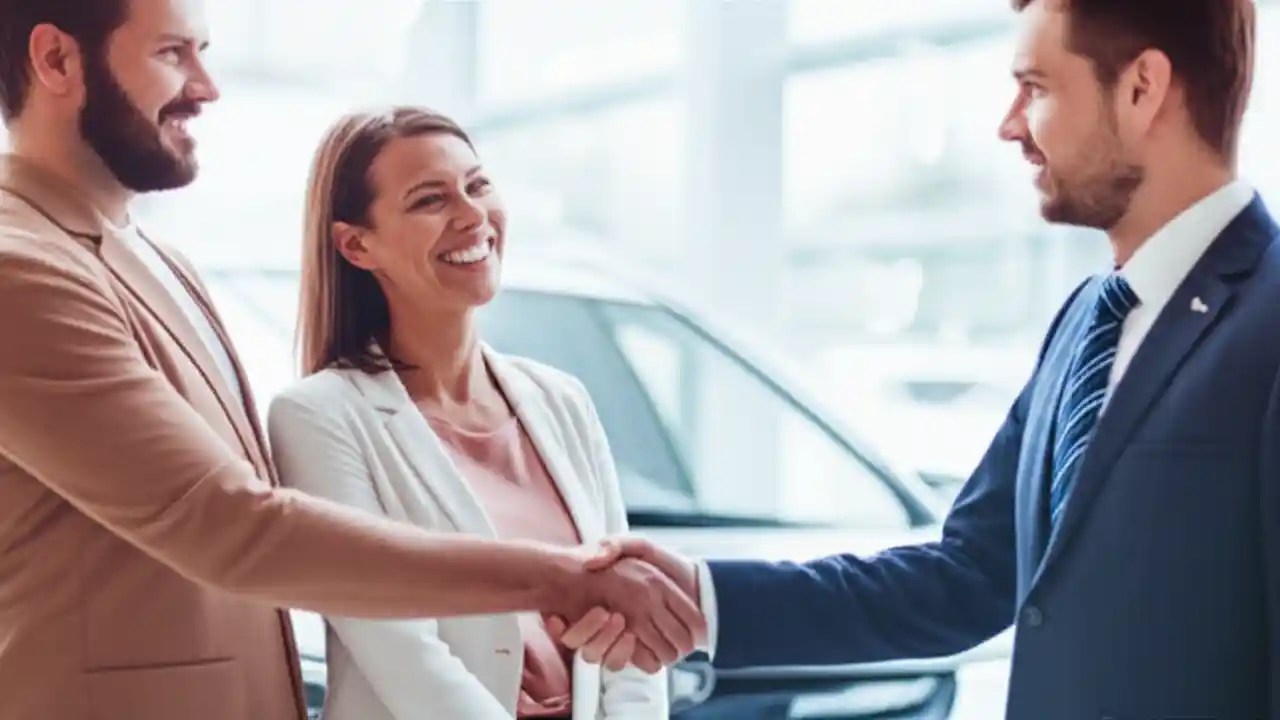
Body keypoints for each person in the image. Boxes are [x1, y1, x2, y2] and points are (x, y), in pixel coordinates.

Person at [562, 0, 1280, 717]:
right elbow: (969, 575)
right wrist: (700, 598)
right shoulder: (1089, 320)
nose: (1010, 125)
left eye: (1036, 88)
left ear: (1142, 88)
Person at [0, 1, 702, 718]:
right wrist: (558, 579)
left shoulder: (159, 263)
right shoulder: (17, 271)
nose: (208, 86)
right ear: (56, 60)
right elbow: (233, 527)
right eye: (173, 54)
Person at [266, 107, 669, 720]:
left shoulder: (561, 400)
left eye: (477, 185)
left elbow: (632, 630)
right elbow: (402, 656)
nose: (473, 214)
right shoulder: (319, 417)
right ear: (356, 244)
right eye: (431, 200)